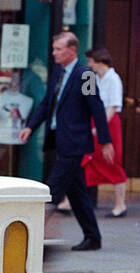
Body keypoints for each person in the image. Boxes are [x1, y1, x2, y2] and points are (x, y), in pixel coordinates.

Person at [19, 32, 113, 251]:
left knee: (52, 190)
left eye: (58, 49)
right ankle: (93, 237)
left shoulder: (86, 75)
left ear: (72, 50)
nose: (54, 53)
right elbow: (46, 104)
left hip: (74, 142)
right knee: (77, 192)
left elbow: (96, 107)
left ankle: (29, 238)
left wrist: (105, 141)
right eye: (54, 49)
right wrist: (30, 127)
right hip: (58, 140)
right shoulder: (58, 73)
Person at [83, 47, 127, 219]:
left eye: (91, 61)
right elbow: (86, 100)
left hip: (108, 122)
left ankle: (120, 204)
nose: (89, 65)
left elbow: (113, 107)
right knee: (87, 158)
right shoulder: (92, 78)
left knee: (111, 160)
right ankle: (69, 200)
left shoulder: (113, 79)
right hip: (95, 120)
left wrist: (99, 127)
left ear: (98, 62)